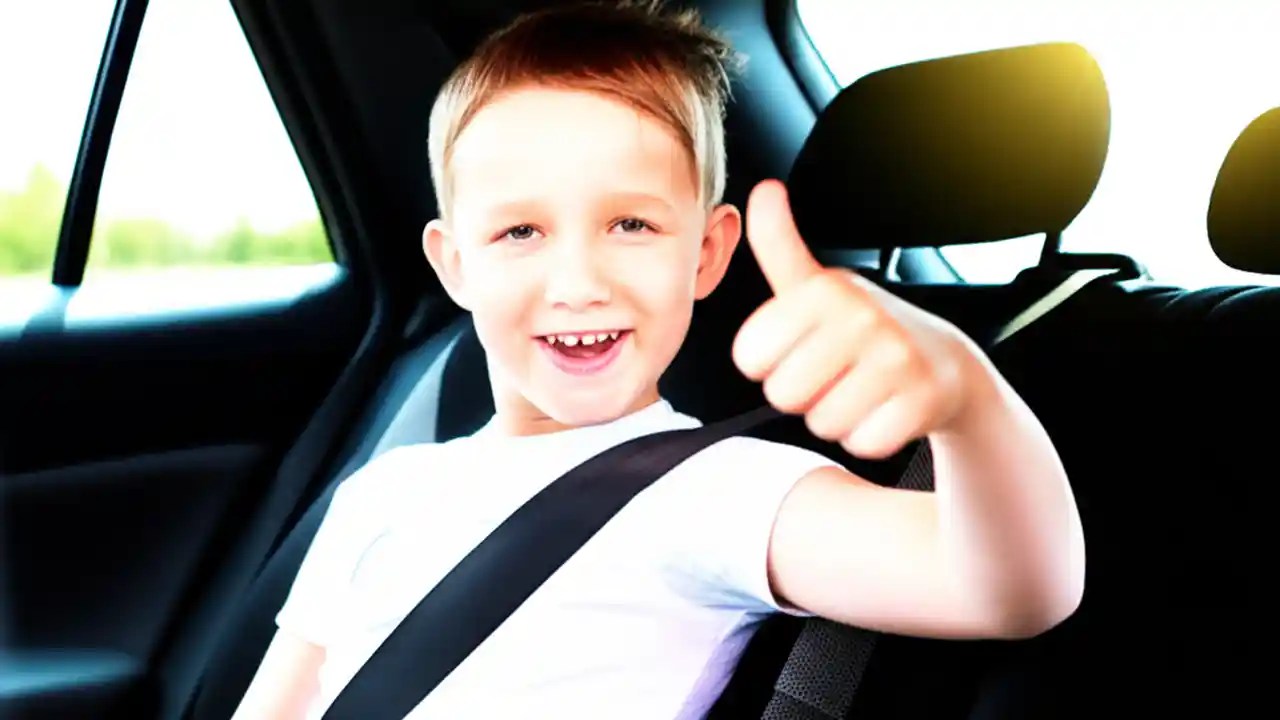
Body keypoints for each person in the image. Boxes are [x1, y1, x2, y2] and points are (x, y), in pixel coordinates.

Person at [232, 1, 1085, 718]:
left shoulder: (717, 489)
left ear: (708, 254)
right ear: (454, 263)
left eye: (630, 225)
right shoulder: (380, 492)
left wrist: (967, 401)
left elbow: (1009, 591)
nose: (578, 283)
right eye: (520, 231)